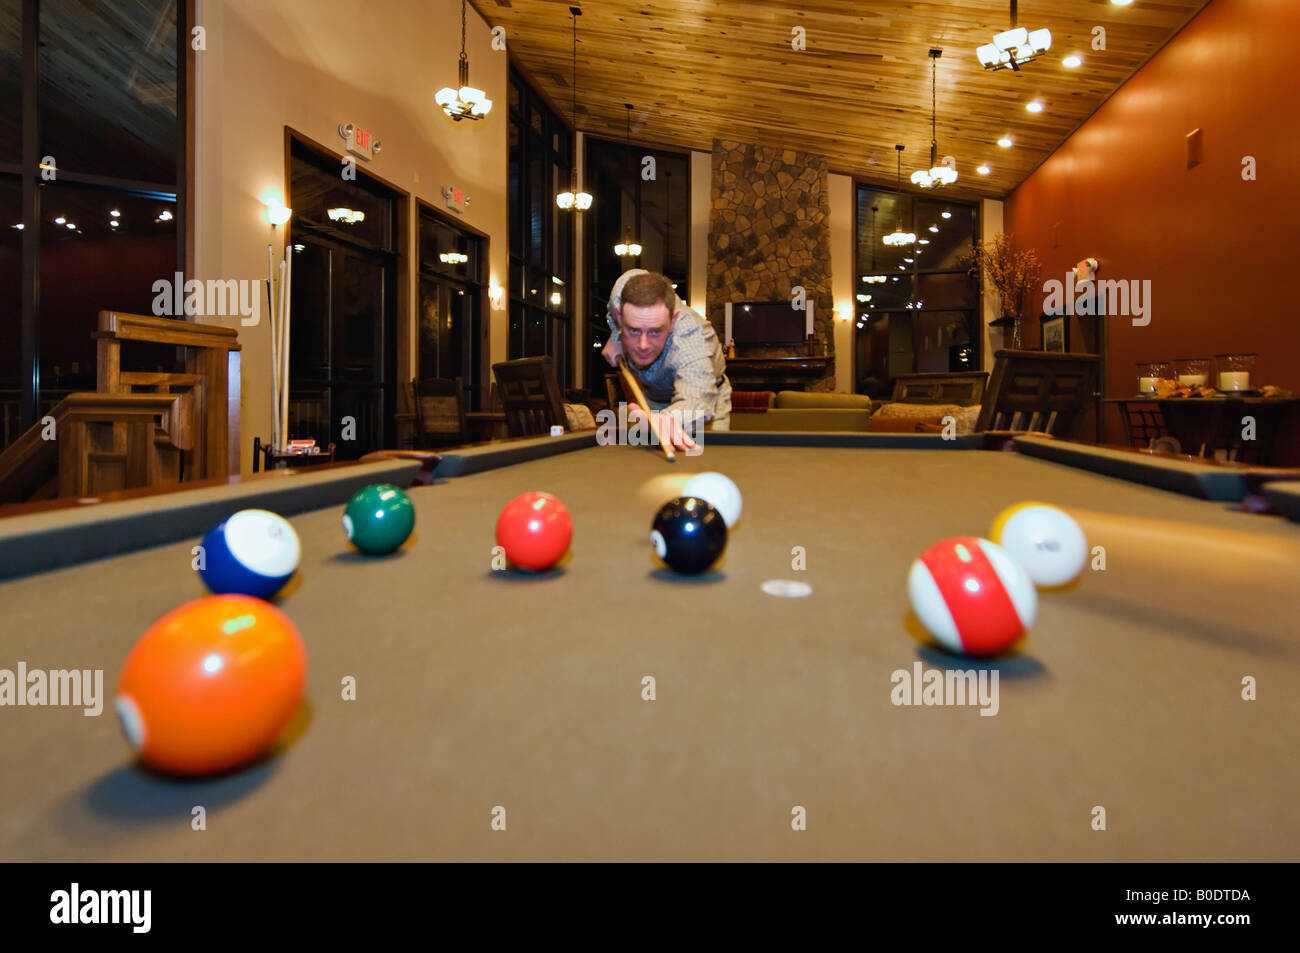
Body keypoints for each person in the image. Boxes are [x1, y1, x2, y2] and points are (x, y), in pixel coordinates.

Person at [601, 269, 731, 451]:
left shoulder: (691, 339)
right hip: (654, 398)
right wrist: (617, 335)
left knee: (705, 468)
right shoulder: (623, 292)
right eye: (634, 329)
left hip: (706, 403)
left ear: (672, 322)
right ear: (621, 316)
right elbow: (613, 315)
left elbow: (698, 399)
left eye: (655, 332)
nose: (643, 345)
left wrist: (670, 419)